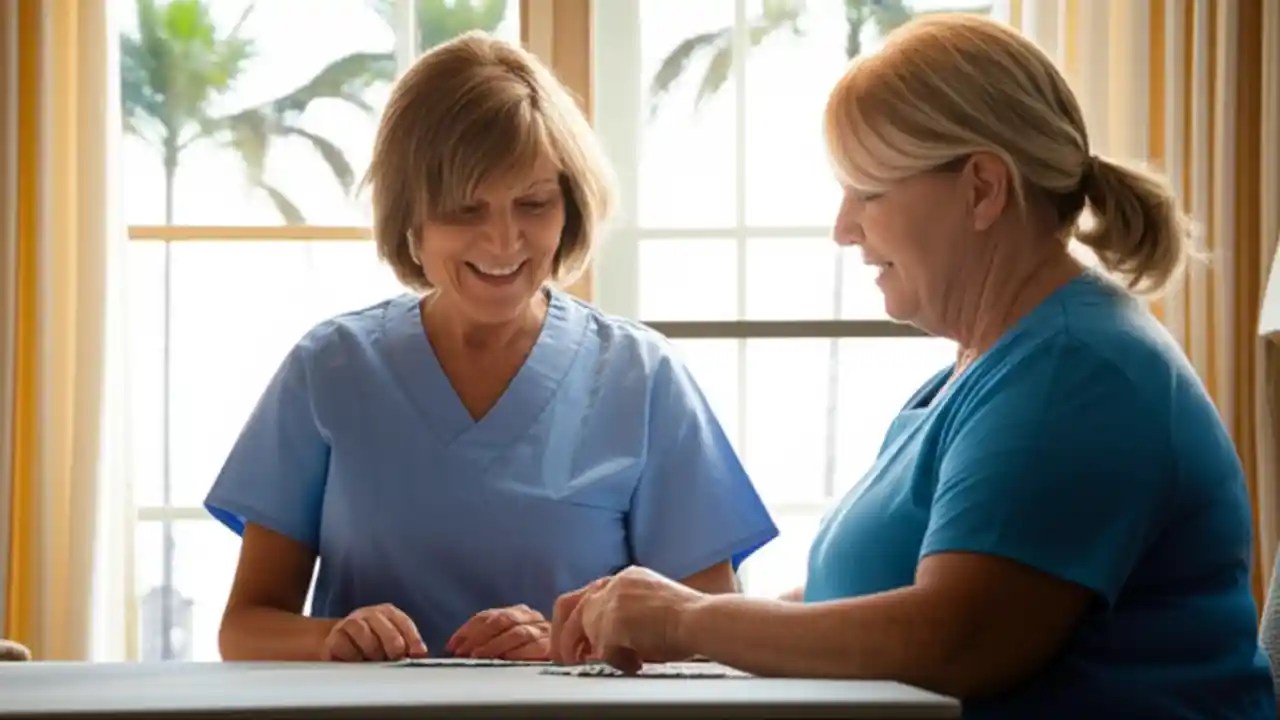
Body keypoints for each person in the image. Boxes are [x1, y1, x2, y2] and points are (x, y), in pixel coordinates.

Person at [548, 13, 1276, 719]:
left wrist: (686, 621)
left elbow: (955, 639)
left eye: (867, 192)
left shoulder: (1075, 373)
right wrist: (649, 621)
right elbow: (856, 605)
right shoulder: (986, 370)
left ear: (983, 188)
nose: (843, 228)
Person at [205, 31, 778, 663]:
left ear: (569, 207)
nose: (504, 242)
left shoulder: (642, 378)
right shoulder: (330, 369)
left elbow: (712, 644)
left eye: (532, 204)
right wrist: (332, 638)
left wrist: (572, 646)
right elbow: (246, 627)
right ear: (412, 216)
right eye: (465, 210)